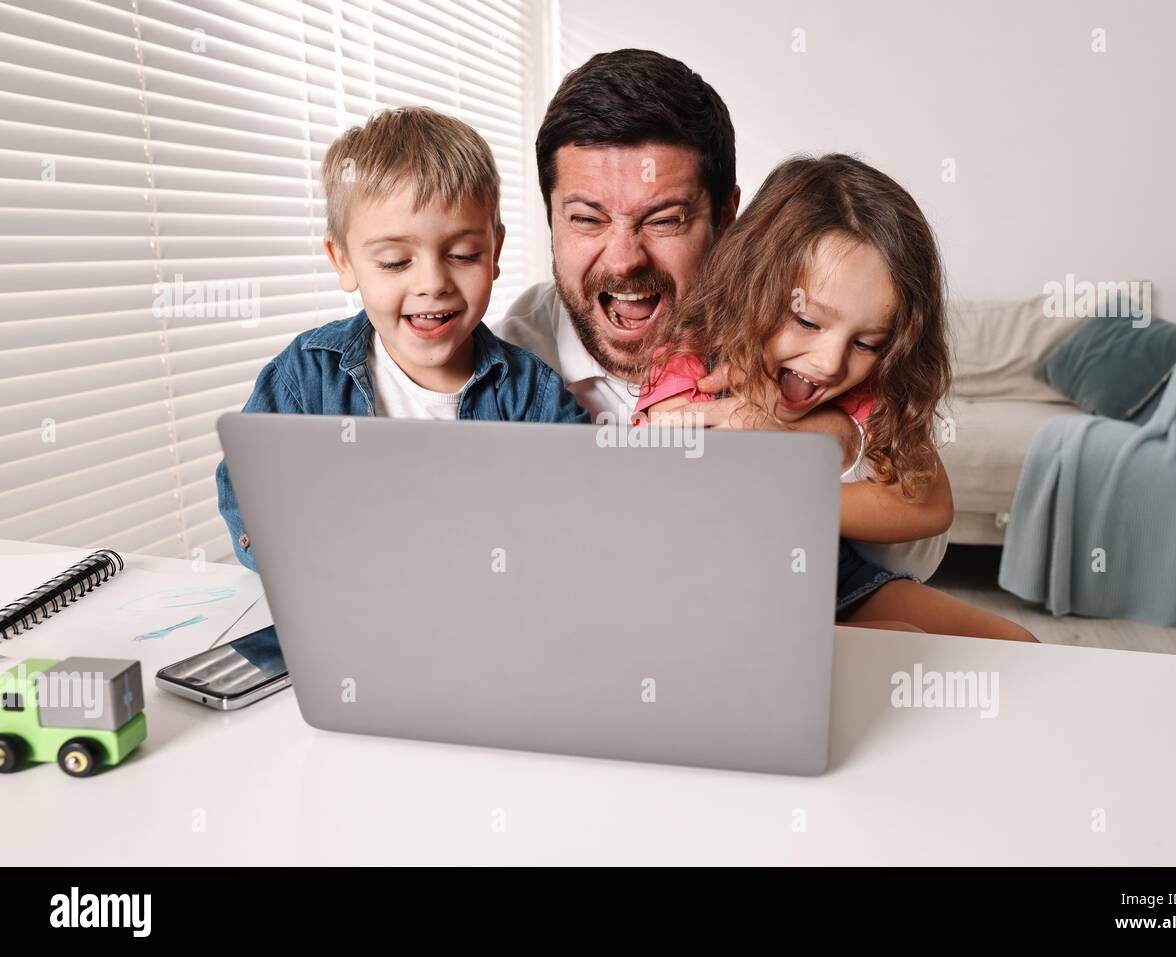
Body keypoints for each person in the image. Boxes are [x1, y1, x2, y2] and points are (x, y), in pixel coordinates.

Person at [634, 154, 1035, 641]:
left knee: (1021, 645)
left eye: (867, 342)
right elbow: (673, 490)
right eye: (806, 321)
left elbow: (927, 507)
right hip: (724, 590)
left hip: (833, 577)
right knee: (897, 638)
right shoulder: (690, 359)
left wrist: (784, 442)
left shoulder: (868, 389)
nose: (829, 362)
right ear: (746, 285)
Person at [216, 107, 586, 572]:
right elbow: (245, 491)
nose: (433, 283)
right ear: (343, 261)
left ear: (494, 252)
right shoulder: (306, 377)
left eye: (463, 255)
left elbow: (578, 515)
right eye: (394, 261)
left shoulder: (533, 395)